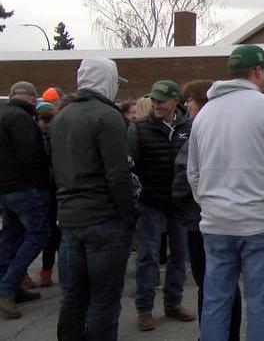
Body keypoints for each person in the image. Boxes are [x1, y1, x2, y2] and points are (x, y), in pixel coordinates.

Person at [187, 45, 264, 341]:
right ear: (258, 72)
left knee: (215, 300)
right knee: (261, 303)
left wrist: (211, 204)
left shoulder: (205, 113)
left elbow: (193, 173)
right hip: (261, 221)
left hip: (216, 224)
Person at [50, 57, 137, 338]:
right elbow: (117, 174)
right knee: (104, 299)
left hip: (70, 219)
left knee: (74, 296)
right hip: (104, 219)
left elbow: (56, 169)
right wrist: (128, 217)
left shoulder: (61, 116)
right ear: (106, 80)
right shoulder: (108, 116)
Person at [173, 79, 242, 340]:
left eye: (189, 101)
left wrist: (186, 206)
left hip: (201, 220)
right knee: (227, 283)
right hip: (231, 217)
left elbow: (184, 178)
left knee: (209, 284)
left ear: (201, 102)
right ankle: (230, 333)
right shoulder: (233, 131)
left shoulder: (198, 133)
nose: (186, 106)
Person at [128, 80, 195, 331]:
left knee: (181, 255)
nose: (156, 105)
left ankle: (173, 303)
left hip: (179, 202)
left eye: (162, 101)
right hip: (150, 201)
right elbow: (130, 165)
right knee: (148, 255)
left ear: (175, 101)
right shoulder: (139, 128)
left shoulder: (189, 127)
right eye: (154, 100)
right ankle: (144, 309)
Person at [0, 82, 50, 318]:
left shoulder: (3, 114)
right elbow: (32, 155)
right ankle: (7, 287)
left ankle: (8, 285)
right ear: (32, 98)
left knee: (11, 235)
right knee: (38, 233)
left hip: (6, 189)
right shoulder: (21, 119)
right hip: (24, 188)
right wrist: (42, 184)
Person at [36, 102, 60, 288]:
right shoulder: (48, 138)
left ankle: (46, 273)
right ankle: (46, 272)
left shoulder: (40, 136)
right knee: (52, 235)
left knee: (52, 235)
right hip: (50, 191)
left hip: (48, 191)